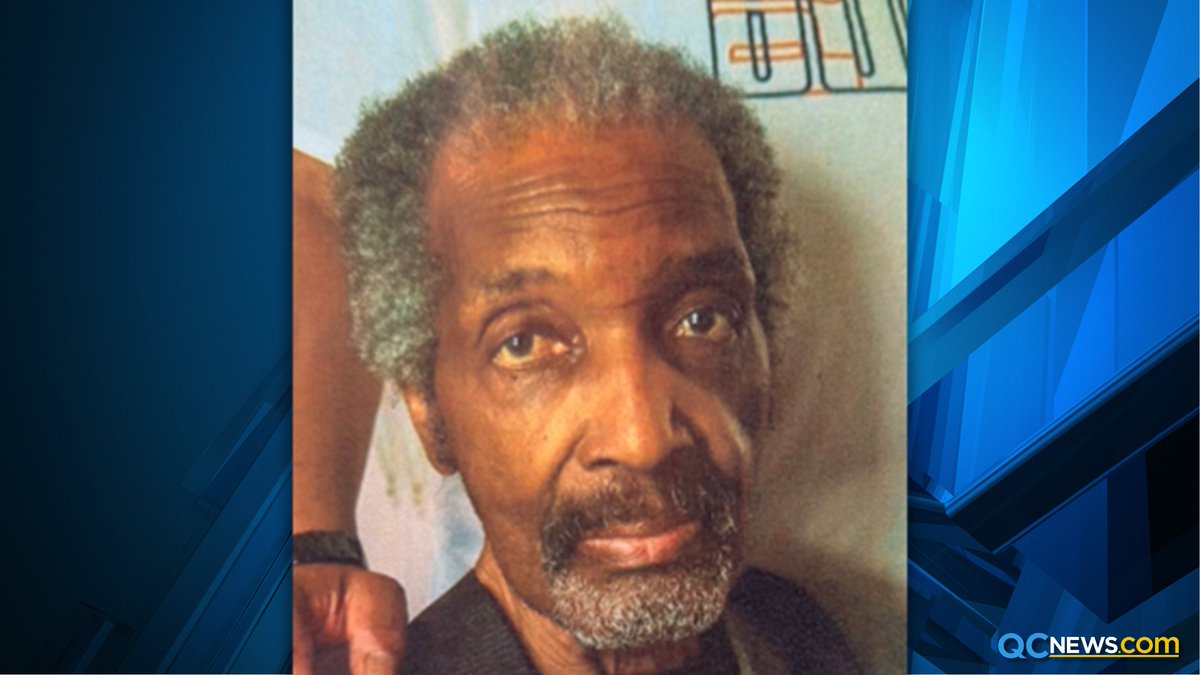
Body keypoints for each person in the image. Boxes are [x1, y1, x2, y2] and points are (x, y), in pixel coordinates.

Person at [295, 16, 861, 674]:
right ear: (429, 410)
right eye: (524, 343)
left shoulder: (794, 632)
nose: (642, 439)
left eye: (703, 319)